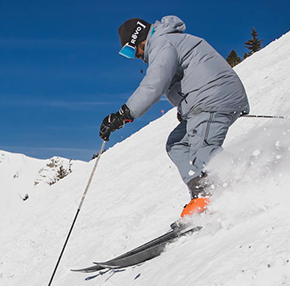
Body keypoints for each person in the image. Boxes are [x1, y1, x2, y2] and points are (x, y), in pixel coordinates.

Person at [99, 16, 250, 219]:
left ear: (139, 39)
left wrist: (124, 114)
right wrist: (184, 109)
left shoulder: (162, 44)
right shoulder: (168, 42)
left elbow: (155, 84)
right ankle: (203, 192)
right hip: (207, 100)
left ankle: (248, 181)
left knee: (203, 149)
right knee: (177, 144)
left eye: (130, 51)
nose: (135, 57)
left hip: (213, 98)